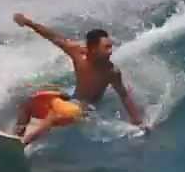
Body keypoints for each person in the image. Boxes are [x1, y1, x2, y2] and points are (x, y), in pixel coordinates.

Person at [12, 13, 149, 146]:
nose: (110, 51)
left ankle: (24, 143)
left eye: (110, 47)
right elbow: (53, 37)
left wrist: (137, 122)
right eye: (106, 47)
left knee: (56, 115)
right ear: (93, 49)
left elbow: (124, 95)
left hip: (86, 108)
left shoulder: (111, 71)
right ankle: (17, 134)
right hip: (72, 95)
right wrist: (28, 22)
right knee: (29, 102)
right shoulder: (77, 54)